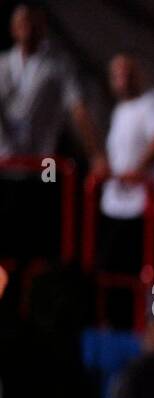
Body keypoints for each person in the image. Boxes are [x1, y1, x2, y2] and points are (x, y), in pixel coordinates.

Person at [0, 3, 103, 259]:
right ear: (13, 29)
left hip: (40, 167)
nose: (29, 29)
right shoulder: (3, 65)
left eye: (34, 24)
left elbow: (77, 109)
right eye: (23, 23)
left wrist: (96, 154)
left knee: (34, 243)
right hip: (4, 164)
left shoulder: (57, 66)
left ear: (43, 28)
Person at [98, 54, 154, 328]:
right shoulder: (120, 111)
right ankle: (115, 325)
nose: (123, 79)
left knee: (141, 275)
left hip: (142, 207)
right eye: (117, 74)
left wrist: (139, 171)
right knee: (110, 273)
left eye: (128, 72)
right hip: (114, 207)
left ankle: (142, 327)